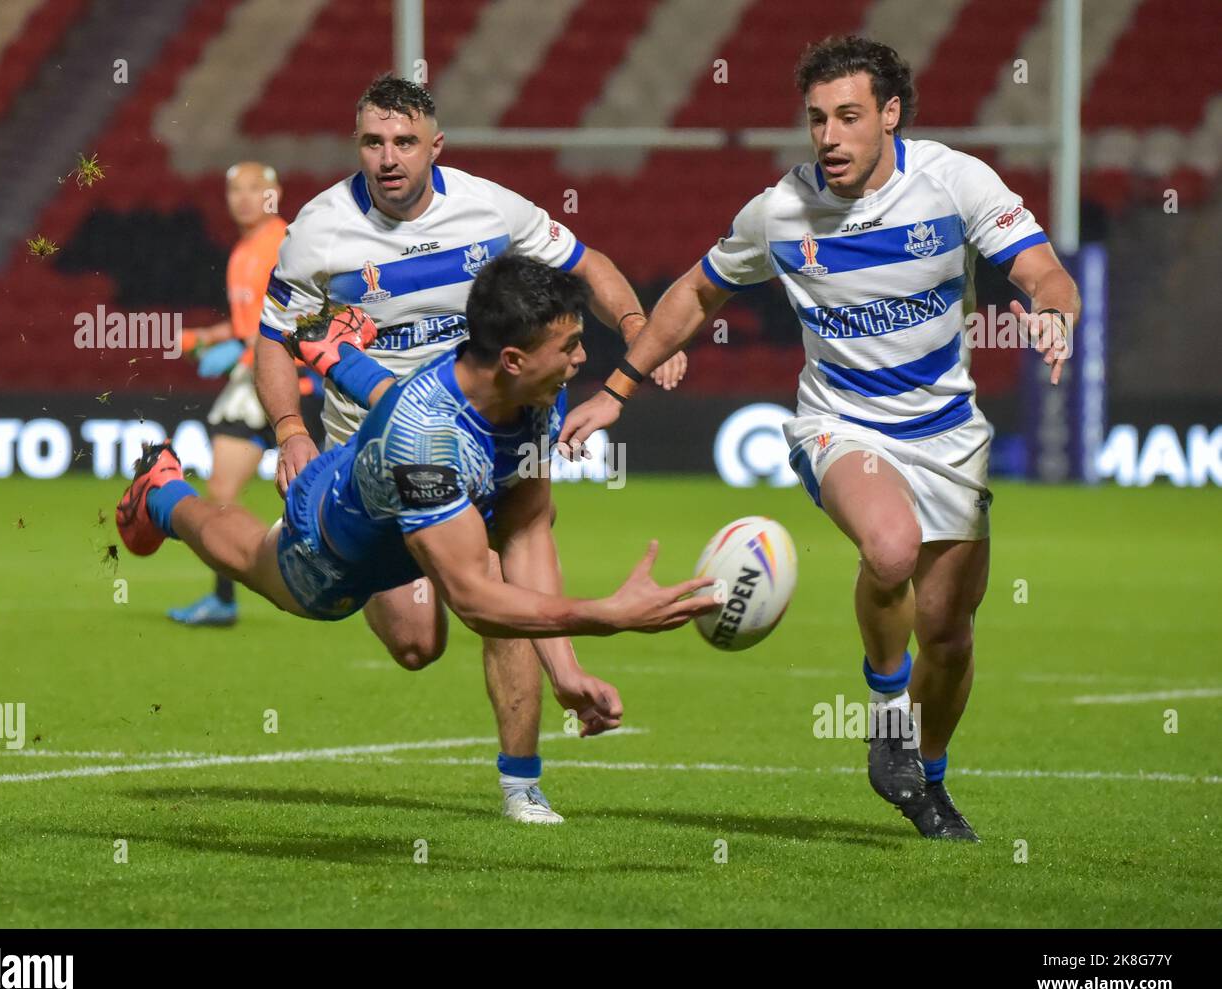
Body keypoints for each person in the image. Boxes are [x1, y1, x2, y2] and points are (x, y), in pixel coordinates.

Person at [560, 36, 1080, 841]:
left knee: (949, 630)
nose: (829, 137)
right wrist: (617, 388)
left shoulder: (951, 182)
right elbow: (698, 293)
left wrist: (1051, 313)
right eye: (816, 120)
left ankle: (925, 776)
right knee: (891, 549)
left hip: (948, 436)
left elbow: (1043, 270)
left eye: (848, 117)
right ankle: (882, 706)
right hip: (838, 423)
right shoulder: (781, 212)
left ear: (890, 116)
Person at [253, 74, 686, 823]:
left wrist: (638, 324)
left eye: (404, 142)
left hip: (493, 422)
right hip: (378, 450)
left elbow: (586, 262)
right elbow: (272, 339)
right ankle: (243, 523)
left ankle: (522, 782)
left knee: (507, 559)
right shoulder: (319, 232)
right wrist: (291, 431)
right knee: (418, 643)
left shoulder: (490, 208)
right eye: (372, 142)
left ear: (435, 147)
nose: (388, 158)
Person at [117, 256, 715, 755]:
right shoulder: (424, 443)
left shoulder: (537, 392)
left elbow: (526, 532)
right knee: (256, 558)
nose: (583, 360)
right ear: (512, 358)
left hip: (428, 477)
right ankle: (166, 493)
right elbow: (477, 602)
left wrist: (565, 671)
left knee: (429, 625)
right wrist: (608, 615)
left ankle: (335, 351)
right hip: (335, 547)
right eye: (571, 346)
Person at [170, 161, 320, 626]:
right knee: (220, 493)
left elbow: (286, 324)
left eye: (255, 189)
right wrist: (203, 338)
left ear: (274, 193)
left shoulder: (280, 243)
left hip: (292, 384)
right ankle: (223, 598)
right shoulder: (243, 251)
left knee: (321, 494)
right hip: (252, 379)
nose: (243, 198)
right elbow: (247, 325)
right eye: (235, 189)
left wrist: (237, 353)